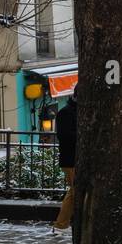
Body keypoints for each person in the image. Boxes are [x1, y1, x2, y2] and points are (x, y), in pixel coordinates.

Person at [52, 95, 77, 230]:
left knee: (74, 191)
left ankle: (62, 224)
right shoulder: (66, 112)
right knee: (74, 191)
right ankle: (61, 224)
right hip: (70, 159)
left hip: (74, 158)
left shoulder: (74, 111)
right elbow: (64, 135)